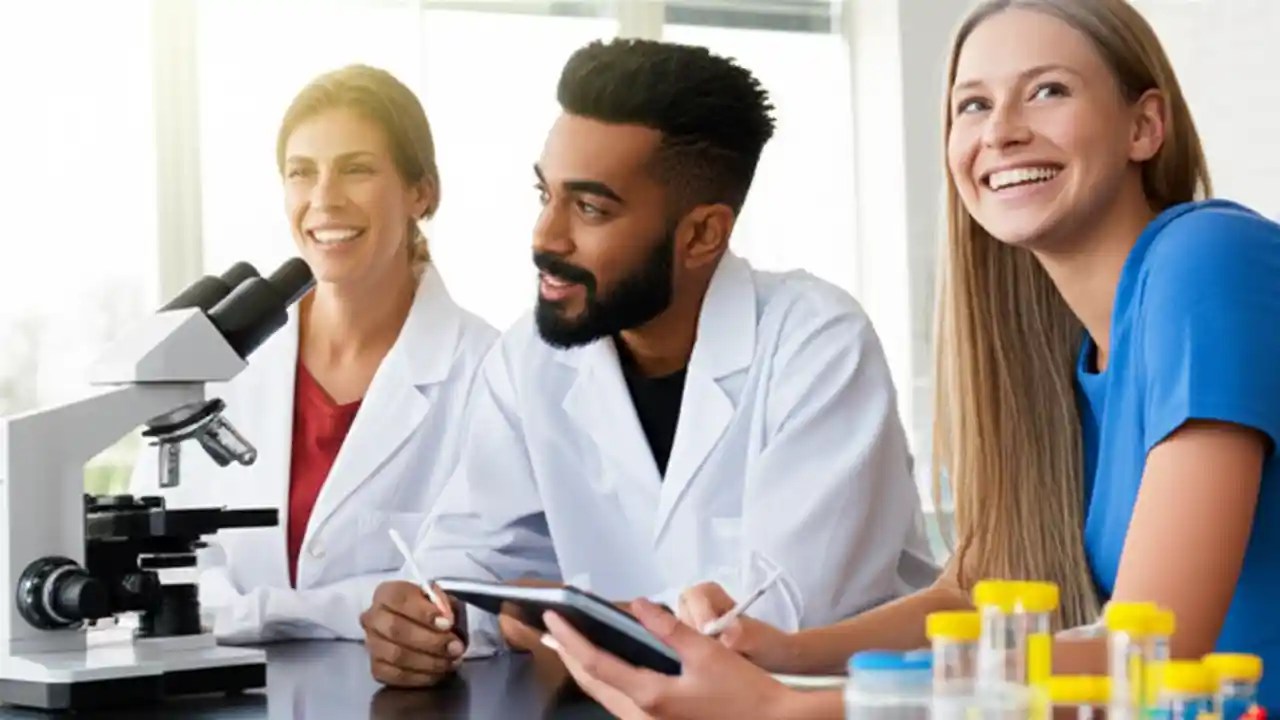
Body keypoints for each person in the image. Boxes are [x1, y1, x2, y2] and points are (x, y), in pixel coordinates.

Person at [536, 0, 1280, 716]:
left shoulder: (1207, 259)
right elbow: (973, 593)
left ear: (1144, 126)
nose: (1002, 133)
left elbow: (1152, 649)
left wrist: (791, 710)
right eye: (973, 105)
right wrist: (782, 653)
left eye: (1047, 91)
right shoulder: (1057, 353)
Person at [358, 37, 932, 689]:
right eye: (544, 194)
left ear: (701, 235)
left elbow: (777, 625)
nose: (546, 237)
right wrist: (424, 621)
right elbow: (466, 566)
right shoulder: (531, 356)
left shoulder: (817, 342)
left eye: (591, 208)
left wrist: (539, 612)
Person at [130, 64, 497, 643]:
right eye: (302, 173)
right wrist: (348, 608)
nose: (324, 199)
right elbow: (157, 555)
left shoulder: (488, 373)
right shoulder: (217, 361)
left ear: (421, 191)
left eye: (356, 170)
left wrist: (253, 614)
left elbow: (477, 599)